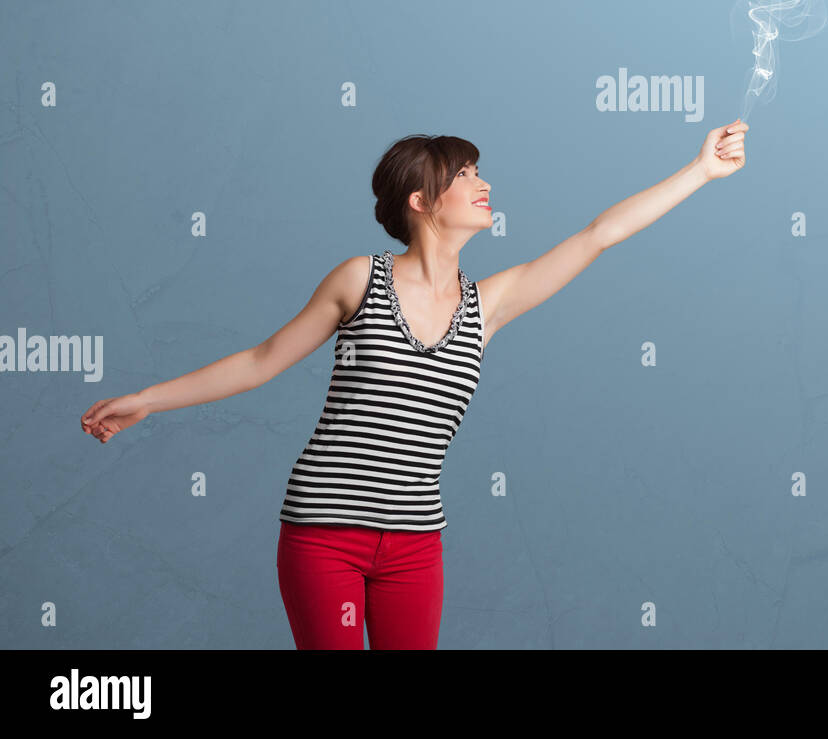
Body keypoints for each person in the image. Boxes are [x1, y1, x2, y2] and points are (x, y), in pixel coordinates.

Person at [80, 119, 749, 649]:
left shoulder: (489, 304)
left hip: (414, 544)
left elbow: (600, 234)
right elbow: (263, 359)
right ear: (422, 200)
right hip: (325, 532)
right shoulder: (357, 279)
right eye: (466, 175)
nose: (485, 184)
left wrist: (700, 170)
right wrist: (147, 397)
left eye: (481, 171)